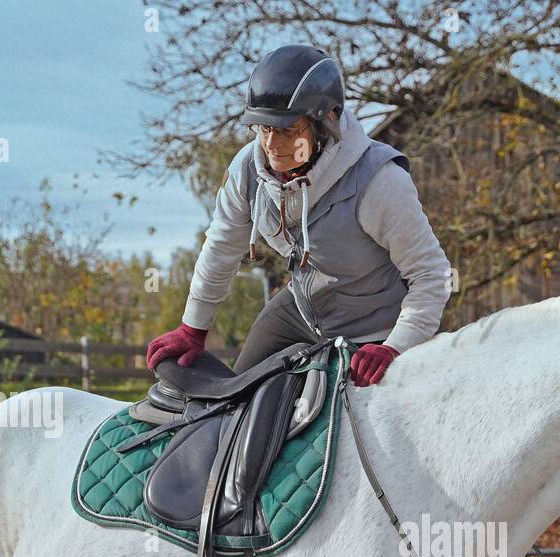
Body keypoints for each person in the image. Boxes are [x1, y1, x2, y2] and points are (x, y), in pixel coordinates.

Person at [147, 44, 451, 387]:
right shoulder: (247, 170)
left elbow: (431, 276)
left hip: (378, 330)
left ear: (326, 123)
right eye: (263, 129)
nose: (272, 144)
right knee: (232, 400)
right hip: (301, 311)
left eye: (287, 130)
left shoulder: (379, 181)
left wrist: (396, 346)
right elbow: (221, 248)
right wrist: (193, 327)